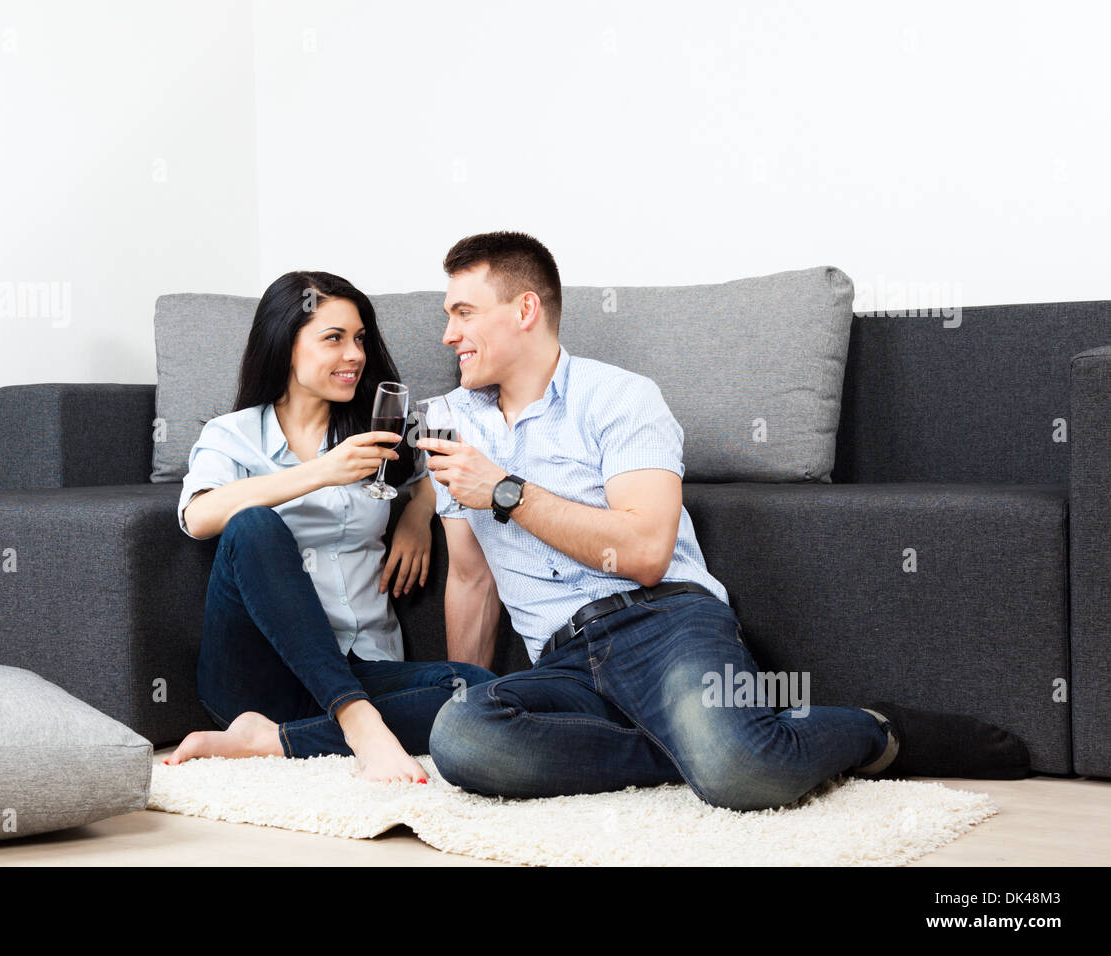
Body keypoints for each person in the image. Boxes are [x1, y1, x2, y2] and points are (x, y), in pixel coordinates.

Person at [417, 231, 1031, 807]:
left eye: (463, 313)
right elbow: (472, 581)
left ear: (525, 309)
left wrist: (506, 491)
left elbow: (646, 550)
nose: (448, 334)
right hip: (563, 663)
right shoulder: (449, 420)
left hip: (663, 622)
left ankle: (876, 731)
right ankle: (713, 743)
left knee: (743, 772)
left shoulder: (619, 397)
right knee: (463, 738)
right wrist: (468, 687)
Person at [166, 270, 495, 783]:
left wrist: (416, 512)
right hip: (258, 676)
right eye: (334, 338)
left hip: (360, 664)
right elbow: (200, 516)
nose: (355, 355)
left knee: (475, 690)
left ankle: (274, 740)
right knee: (253, 526)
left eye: (359, 339)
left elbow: (444, 460)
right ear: (285, 346)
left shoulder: (378, 429)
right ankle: (361, 727)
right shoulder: (232, 435)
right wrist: (320, 471)